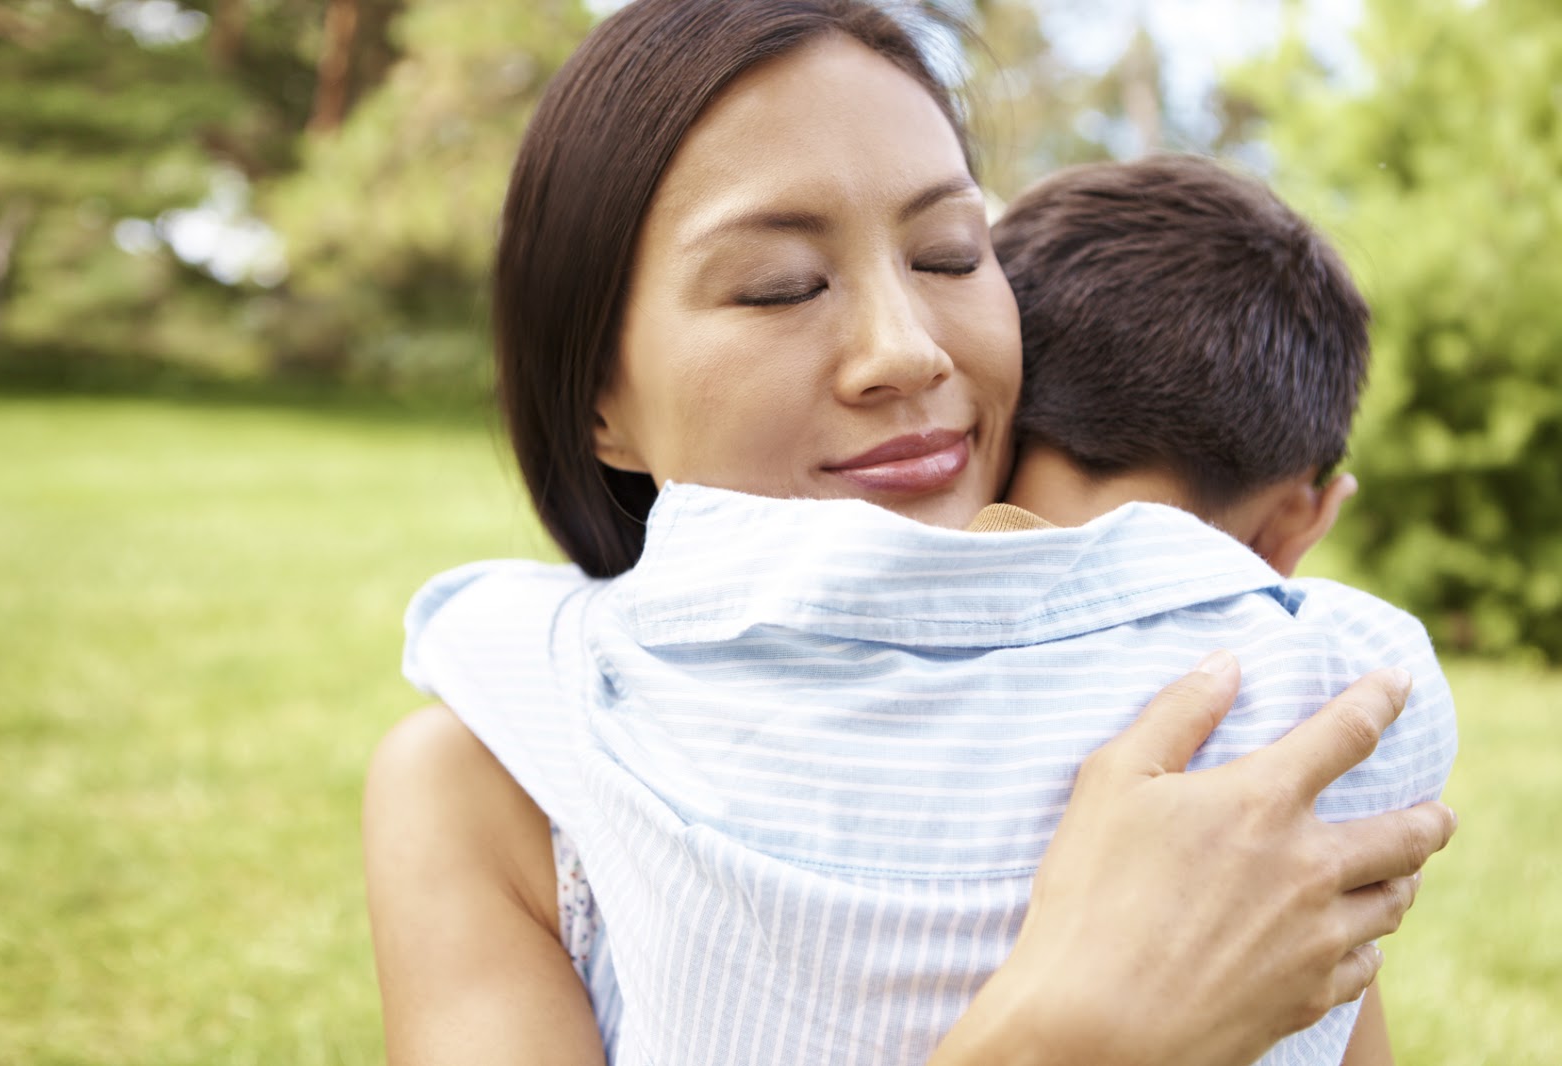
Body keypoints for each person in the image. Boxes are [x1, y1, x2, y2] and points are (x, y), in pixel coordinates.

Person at [363, 2, 1458, 1064]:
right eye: (777, 286)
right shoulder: (494, 778)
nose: (907, 350)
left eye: (947, 255)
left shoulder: (1245, 716)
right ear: (599, 397)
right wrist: (1067, 1039)